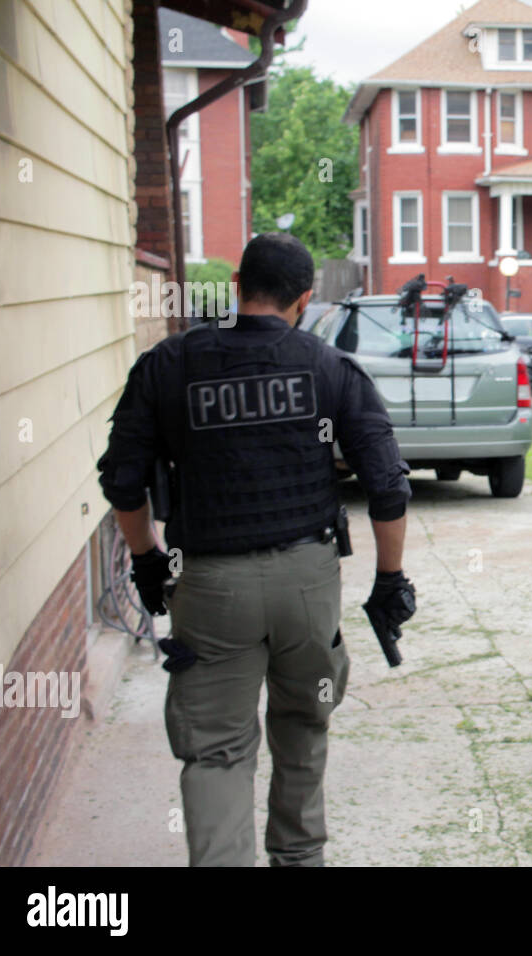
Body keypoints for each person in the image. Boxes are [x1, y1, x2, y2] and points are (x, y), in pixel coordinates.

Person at [97, 233, 413, 866]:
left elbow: (121, 479)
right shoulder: (327, 367)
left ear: (237, 284)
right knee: (303, 723)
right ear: (303, 297)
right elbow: (387, 484)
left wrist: (146, 558)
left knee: (215, 750)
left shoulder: (169, 365)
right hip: (308, 583)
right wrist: (389, 580)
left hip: (210, 585)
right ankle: (299, 859)